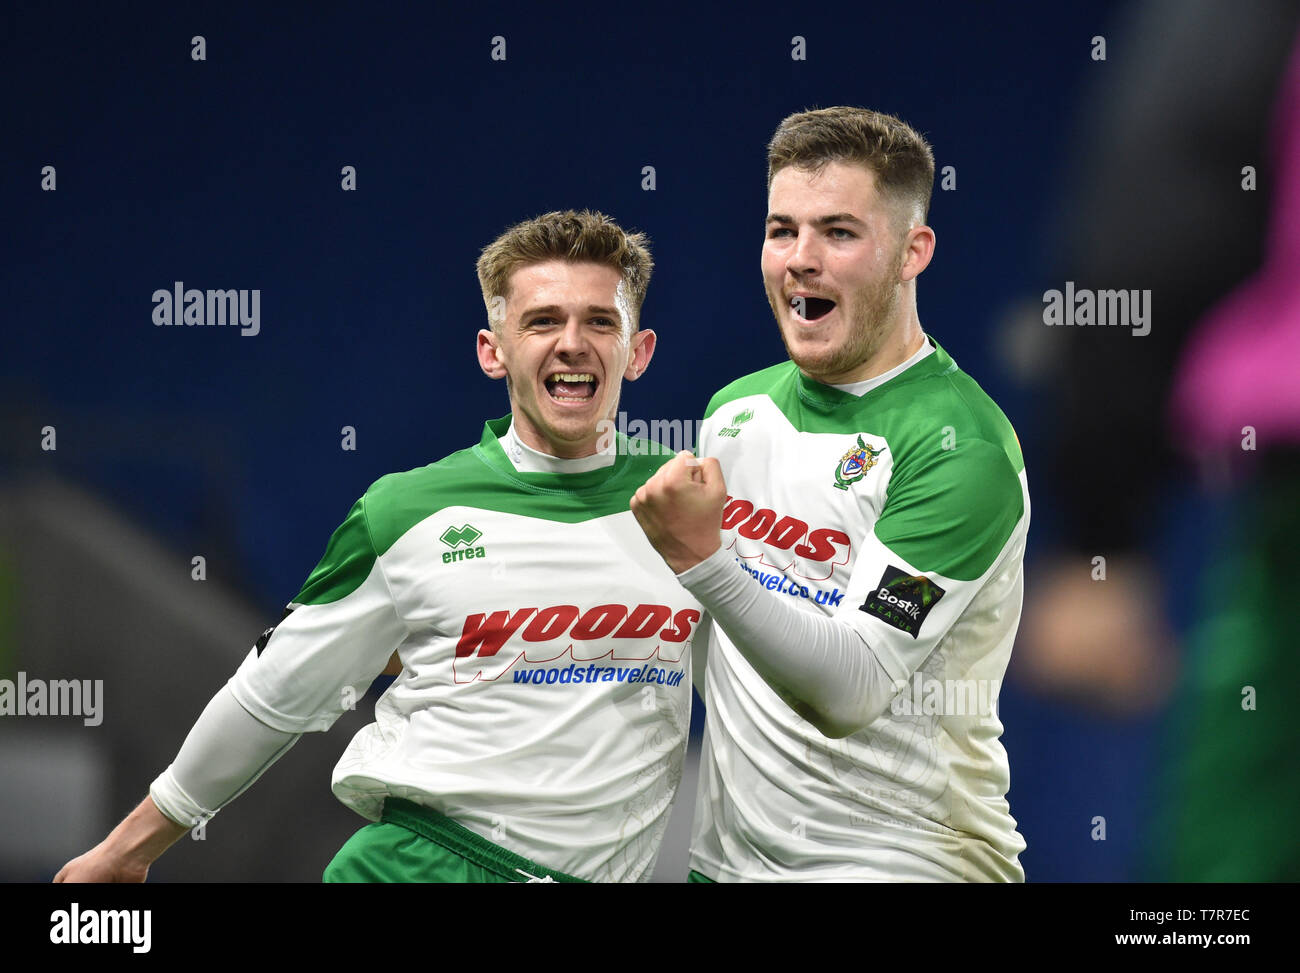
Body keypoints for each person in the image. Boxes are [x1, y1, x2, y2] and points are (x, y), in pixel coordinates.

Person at [55, 209, 701, 884]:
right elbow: (276, 688)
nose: (572, 342)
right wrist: (126, 849)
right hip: (417, 868)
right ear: (493, 350)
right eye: (542, 321)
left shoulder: (691, 506)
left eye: (600, 320)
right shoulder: (404, 511)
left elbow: (783, 696)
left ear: (640, 348)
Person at [631, 107, 1029, 881]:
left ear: (914, 251)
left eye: (839, 233)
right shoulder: (735, 414)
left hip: (898, 860)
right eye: (783, 231)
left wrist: (702, 557)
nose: (800, 260)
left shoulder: (962, 452)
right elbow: (706, 631)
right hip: (727, 864)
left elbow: (851, 687)